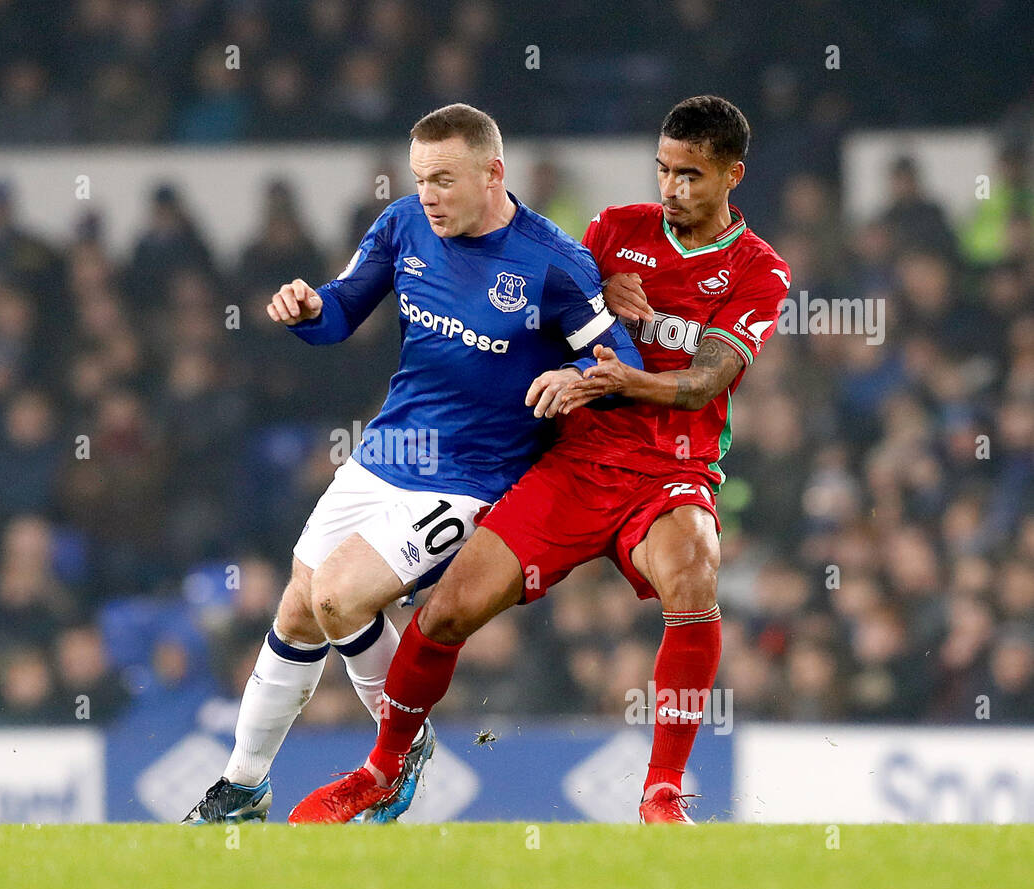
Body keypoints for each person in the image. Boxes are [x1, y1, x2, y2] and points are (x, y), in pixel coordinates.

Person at [290, 95, 791, 826]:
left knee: (694, 566)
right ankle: (383, 768)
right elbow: (551, 320)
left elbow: (706, 382)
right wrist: (570, 365)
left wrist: (616, 377)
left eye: (691, 175)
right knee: (450, 608)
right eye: (663, 170)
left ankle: (661, 792)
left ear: (732, 175)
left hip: (668, 468)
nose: (672, 189)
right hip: (576, 459)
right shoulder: (612, 233)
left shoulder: (759, 270)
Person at [185, 102, 641, 823]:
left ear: (494, 174)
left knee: (339, 596)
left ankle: (403, 748)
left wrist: (581, 378)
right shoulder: (402, 226)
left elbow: (629, 363)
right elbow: (341, 311)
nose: (428, 194)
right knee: (301, 610)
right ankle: (242, 787)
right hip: (385, 454)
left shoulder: (551, 264)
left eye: (444, 180)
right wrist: (309, 311)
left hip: (472, 480)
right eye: (421, 177)